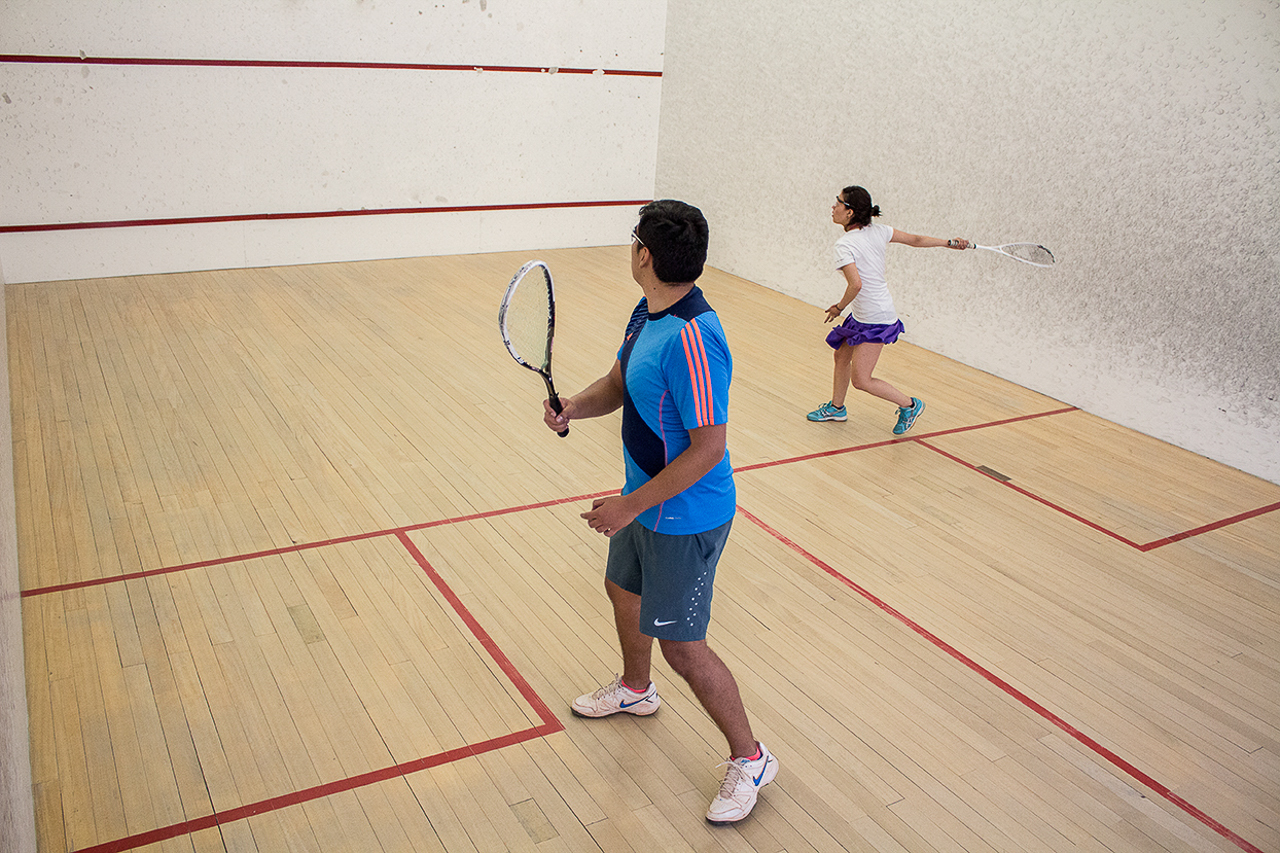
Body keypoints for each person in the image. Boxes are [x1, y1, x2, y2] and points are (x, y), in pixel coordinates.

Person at [543, 199, 777, 825]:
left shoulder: (695, 340)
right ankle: (636, 691)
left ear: (643, 254)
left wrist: (627, 507)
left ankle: (750, 757)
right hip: (644, 506)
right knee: (623, 591)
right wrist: (572, 406)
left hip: (687, 516)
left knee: (685, 647)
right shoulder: (647, 313)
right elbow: (618, 386)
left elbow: (708, 450)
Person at [806, 185, 969, 434]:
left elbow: (855, 284)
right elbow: (915, 240)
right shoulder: (879, 231)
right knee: (841, 356)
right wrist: (950, 242)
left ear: (849, 213)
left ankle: (910, 405)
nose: (833, 206)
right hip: (864, 314)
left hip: (875, 319)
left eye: (838, 202)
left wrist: (839, 307)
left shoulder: (844, 245)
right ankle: (837, 408)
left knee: (861, 380)